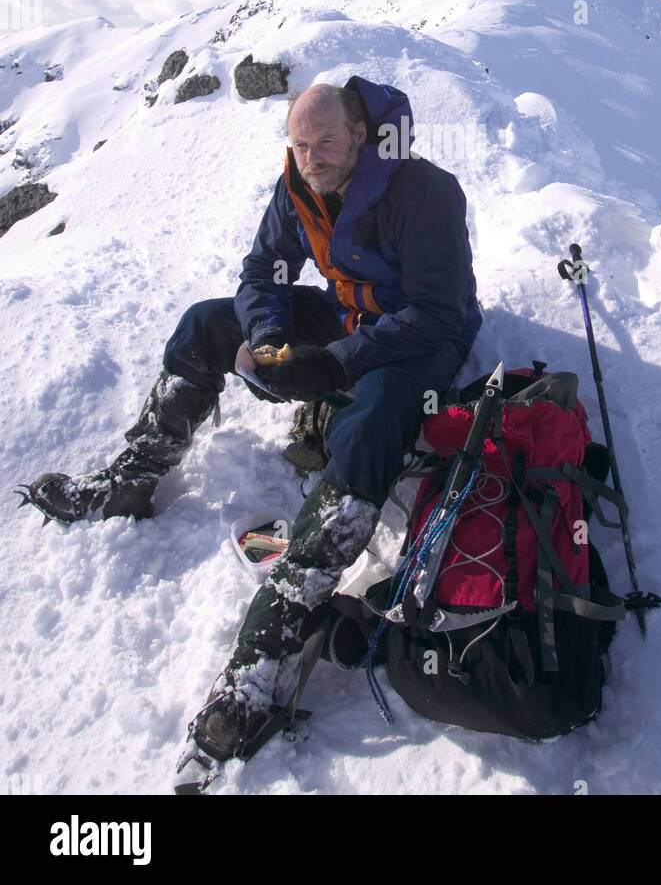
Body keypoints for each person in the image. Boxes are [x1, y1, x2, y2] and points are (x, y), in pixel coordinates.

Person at [18, 74, 482, 780]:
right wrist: (268, 342)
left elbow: (440, 313)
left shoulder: (424, 191)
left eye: (324, 141)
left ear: (360, 134)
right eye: (299, 144)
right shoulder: (297, 183)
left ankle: (264, 655)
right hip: (349, 322)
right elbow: (263, 269)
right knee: (206, 324)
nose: (311, 157)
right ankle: (133, 480)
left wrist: (332, 366)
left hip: (416, 341)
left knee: (366, 430)